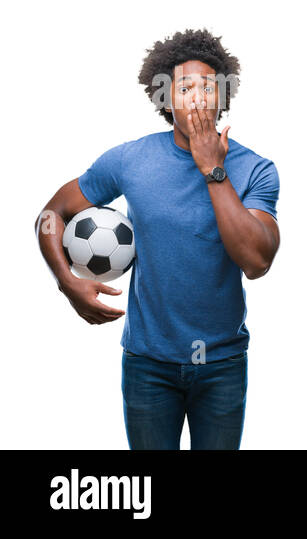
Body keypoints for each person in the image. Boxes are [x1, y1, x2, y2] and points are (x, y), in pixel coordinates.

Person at [35, 29, 281, 450]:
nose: (198, 96)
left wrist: (212, 170)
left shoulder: (256, 169)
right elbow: (50, 215)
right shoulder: (130, 160)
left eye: (208, 86)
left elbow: (256, 263)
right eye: (184, 87)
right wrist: (66, 281)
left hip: (222, 364)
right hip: (148, 365)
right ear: (165, 99)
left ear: (223, 97)